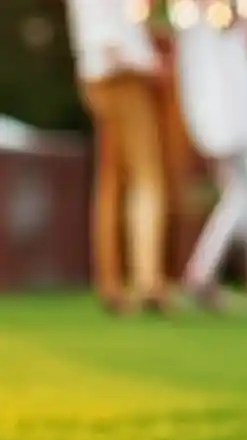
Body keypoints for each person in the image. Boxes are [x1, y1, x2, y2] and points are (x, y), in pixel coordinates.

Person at [65, 0, 169, 314]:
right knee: (147, 178)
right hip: (122, 72)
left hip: (95, 72)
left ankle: (110, 281)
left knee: (111, 179)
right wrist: (150, 64)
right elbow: (110, 35)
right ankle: (147, 280)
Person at [174, 2, 247, 310]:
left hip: (232, 120)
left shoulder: (203, 21)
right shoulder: (207, 19)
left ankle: (214, 273)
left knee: (246, 196)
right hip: (233, 122)